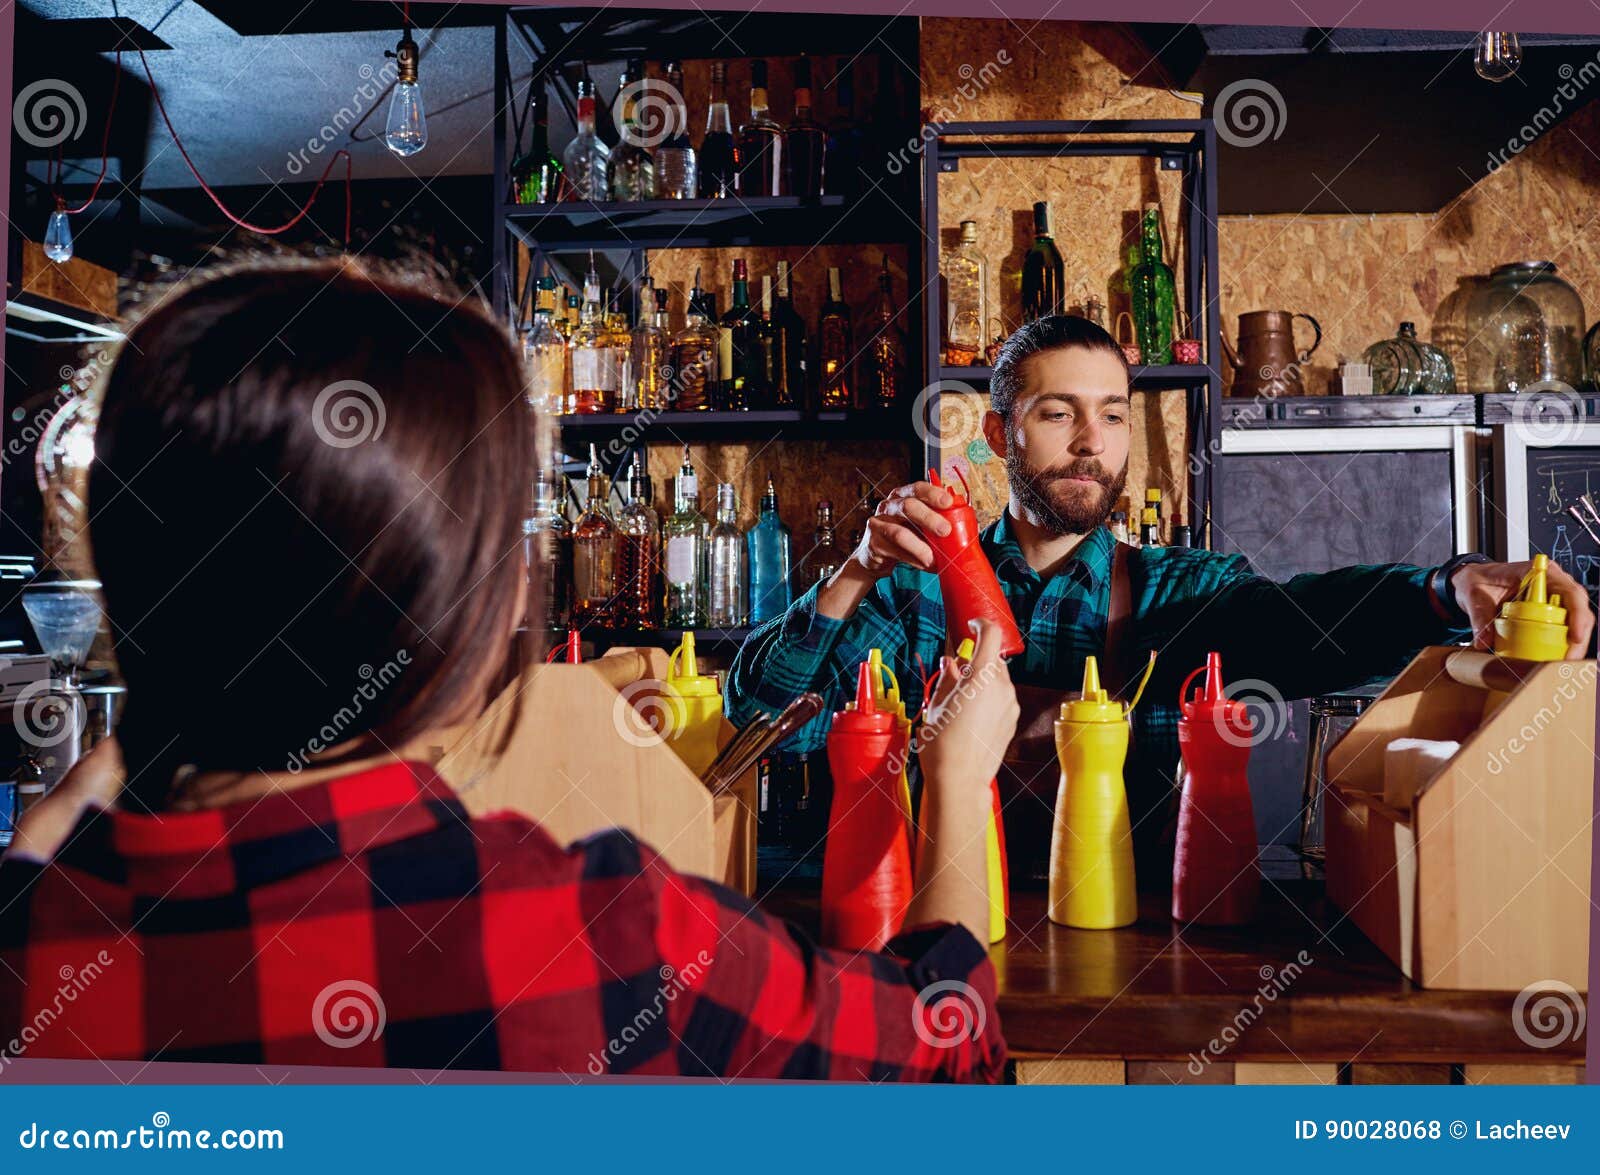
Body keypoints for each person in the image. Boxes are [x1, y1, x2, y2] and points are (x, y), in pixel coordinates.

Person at [0, 260, 1015, 1080]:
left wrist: (138, 727)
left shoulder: (36, 936)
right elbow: (950, 1039)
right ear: (480, 614)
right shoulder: (605, 936)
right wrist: (962, 777)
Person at [727, 314, 1596, 877]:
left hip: (1144, 962)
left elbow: (1308, 623)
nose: (1091, 443)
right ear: (999, 433)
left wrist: (1446, 586)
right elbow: (757, 712)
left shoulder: (1182, 593)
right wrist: (851, 573)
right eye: (1058, 413)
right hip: (939, 939)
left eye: (1111, 414)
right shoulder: (908, 593)